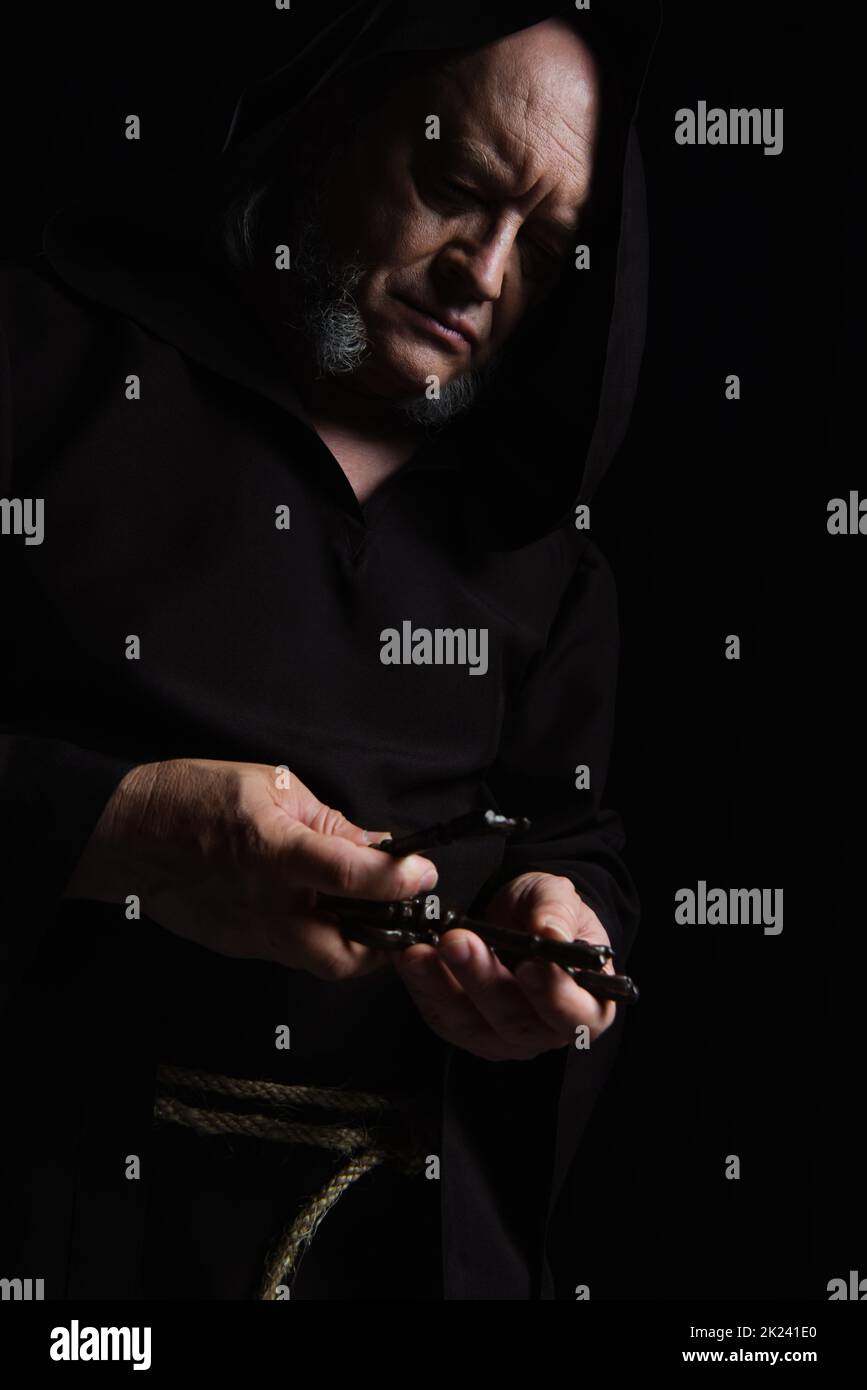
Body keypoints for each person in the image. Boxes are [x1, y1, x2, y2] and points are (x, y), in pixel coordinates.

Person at [0, 1, 659, 1300]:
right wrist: (114, 830)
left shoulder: (543, 563)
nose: (486, 269)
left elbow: (577, 842)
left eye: (546, 246)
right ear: (328, 126)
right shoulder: (42, 369)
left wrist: (559, 927)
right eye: (455, 185)